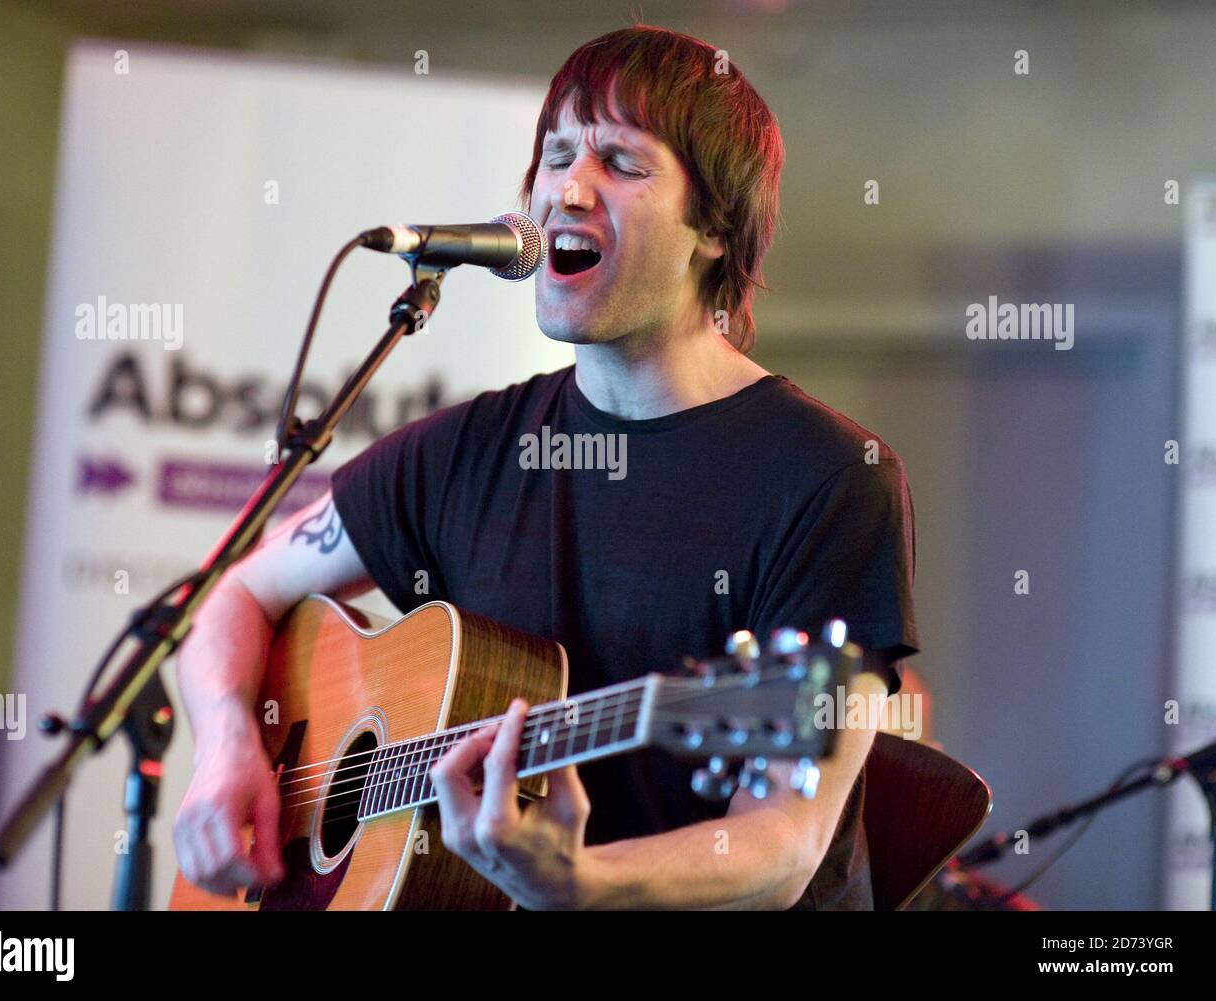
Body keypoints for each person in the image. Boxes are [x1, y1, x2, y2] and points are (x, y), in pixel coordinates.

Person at [173, 24, 920, 910]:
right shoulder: (463, 452)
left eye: (622, 162)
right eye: (557, 154)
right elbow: (233, 593)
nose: (567, 187)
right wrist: (228, 744)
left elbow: (786, 842)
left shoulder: (831, 478)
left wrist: (581, 883)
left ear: (714, 229)